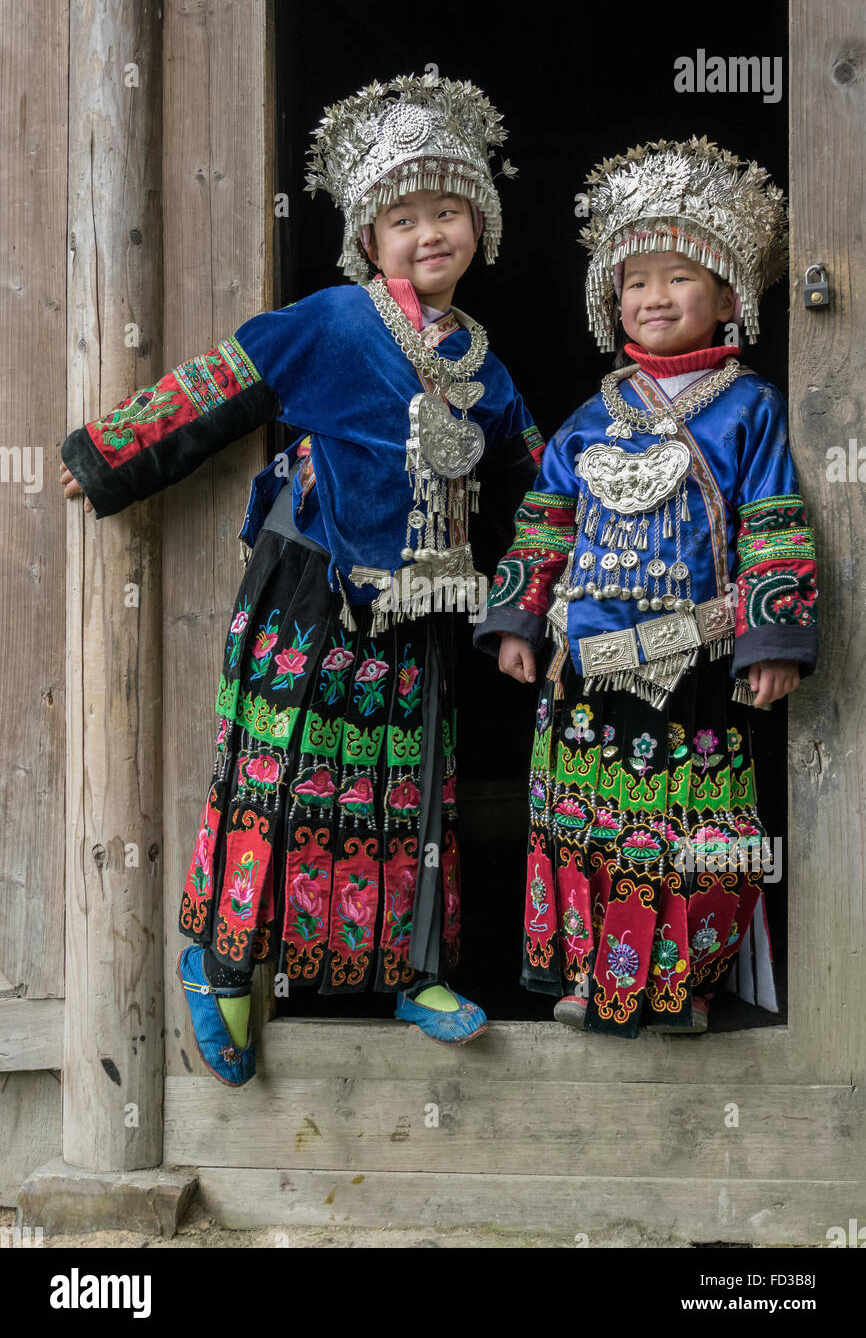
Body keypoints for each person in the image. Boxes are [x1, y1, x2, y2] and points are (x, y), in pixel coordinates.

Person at [59, 74, 543, 1083]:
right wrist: (112, 454)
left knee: (409, 789)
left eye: (446, 211)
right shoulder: (329, 321)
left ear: (481, 224)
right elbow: (221, 383)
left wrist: (534, 599)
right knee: (278, 779)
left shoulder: (486, 368)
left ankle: (417, 972)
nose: (427, 235)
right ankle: (223, 959)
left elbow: (535, 489)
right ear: (368, 238)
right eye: (402, 218)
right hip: (313, 590)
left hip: (420, 610)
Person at [475, 138, 818, 1037]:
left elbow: (773, 522)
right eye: (635, 280)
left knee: (693, 833)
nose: (653, 297)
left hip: (697, 663)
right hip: (586, 666)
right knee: (589, 829)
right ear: (610, 298)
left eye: (680, 278)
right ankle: (597, 977)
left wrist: (770, 638)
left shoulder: (751, 408)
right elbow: (545, 524)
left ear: (730, 298)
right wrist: (519, 618)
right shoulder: (591, 417)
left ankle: (685, 985)